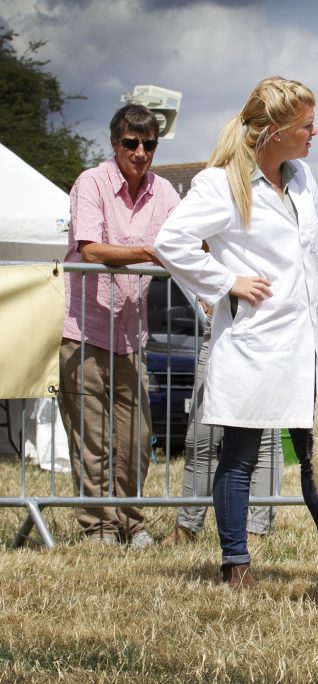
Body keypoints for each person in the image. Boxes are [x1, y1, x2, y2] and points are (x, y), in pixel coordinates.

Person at [154, 76, 318, 588]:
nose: (315, 133)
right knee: (240, 455)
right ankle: (235, 562)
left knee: (317, 456)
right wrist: (228, 281)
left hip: (305, 344)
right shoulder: (221, 184)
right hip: (254, 342)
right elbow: (171, 241)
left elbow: (304, 239)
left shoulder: (303, 178)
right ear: (276, 131)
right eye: (307, 125)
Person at [58, 104, 180, 547]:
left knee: (136, 439)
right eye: (131, 143)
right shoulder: (90, 183)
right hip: (84, 333)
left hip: (131, 337)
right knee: (93, 440)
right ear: (115, 144)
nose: (140, 152)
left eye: (149, 144)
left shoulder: (164, 192)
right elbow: (90, 250)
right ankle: (99, 528)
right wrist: (150, 252)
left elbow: (184, 240)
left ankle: (132, 522)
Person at [162, 312, 283, 546]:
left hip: (263, 337)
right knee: (200, 438)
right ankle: (187, 526)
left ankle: (257, 529)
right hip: (217, 335)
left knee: (265, 439)